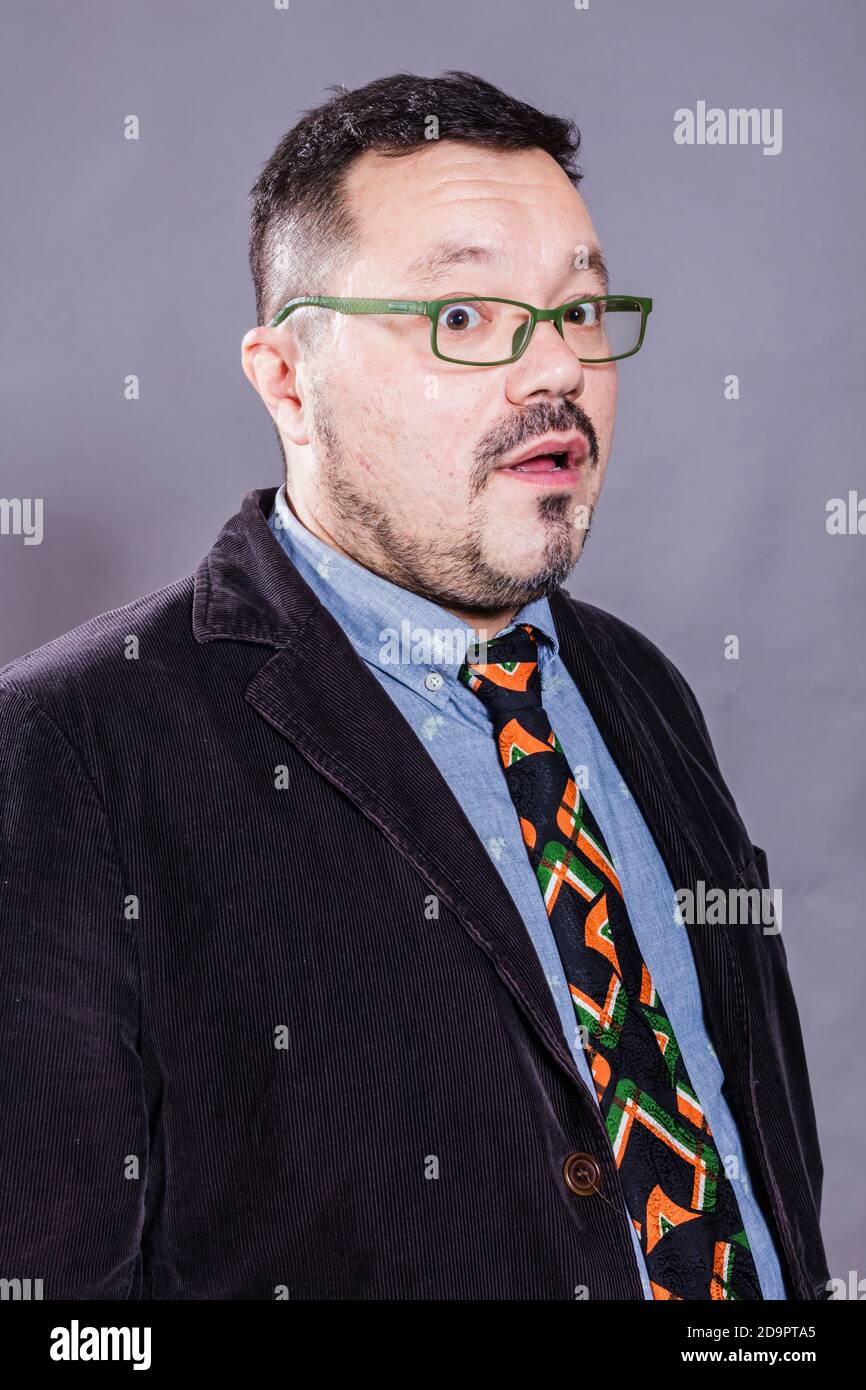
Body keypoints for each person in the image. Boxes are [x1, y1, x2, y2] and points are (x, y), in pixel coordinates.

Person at [0, 70, 829, 1300]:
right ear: (288, 381)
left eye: (581, 310)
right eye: (463, 317)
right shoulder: (71, 748)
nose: (554, 372)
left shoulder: (637, 685)